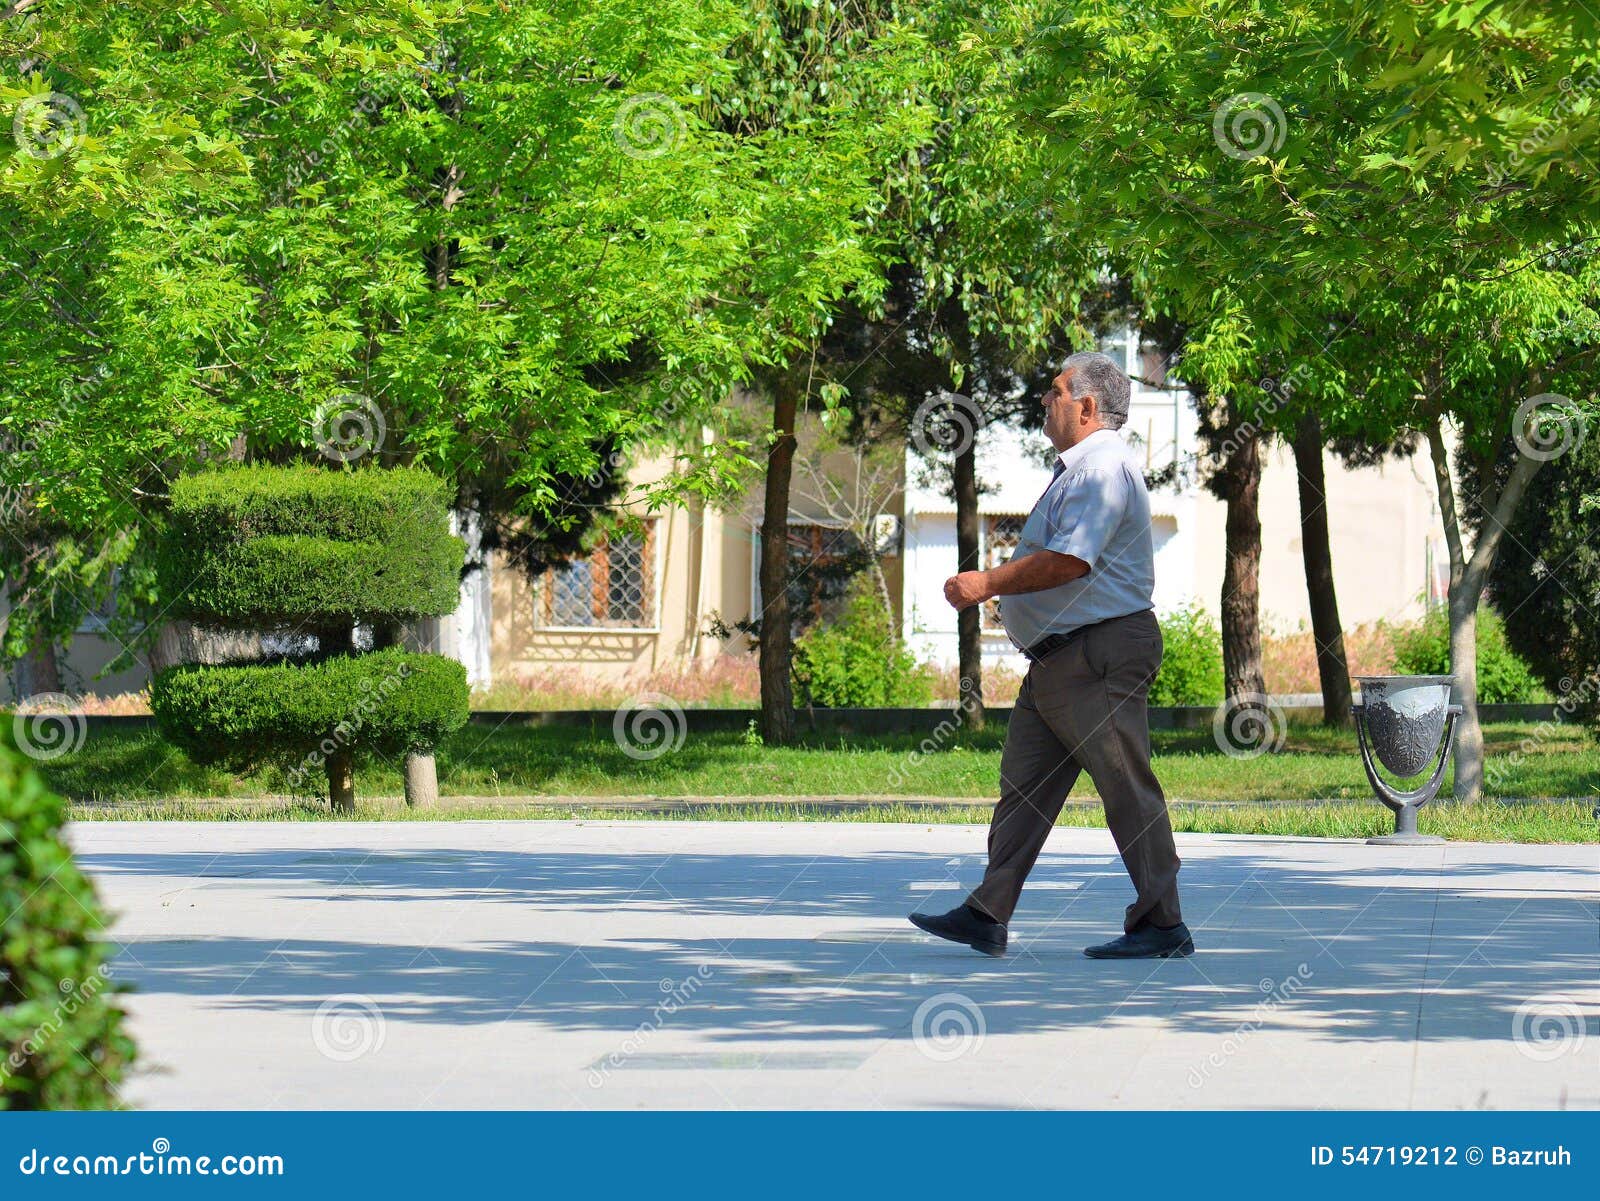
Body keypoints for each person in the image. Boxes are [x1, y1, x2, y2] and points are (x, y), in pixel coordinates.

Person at [908, 351, 1193, 960]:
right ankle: (987, 913)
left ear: (1086, 407)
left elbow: (1070, 561)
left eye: (1056, 391)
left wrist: (987, 583)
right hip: (1060, 661)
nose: (1045, 398)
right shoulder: (1080, 469)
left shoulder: (1102, 468)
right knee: (1025, 790)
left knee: (1126, 787)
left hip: (1097, 654)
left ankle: (1163, 924)